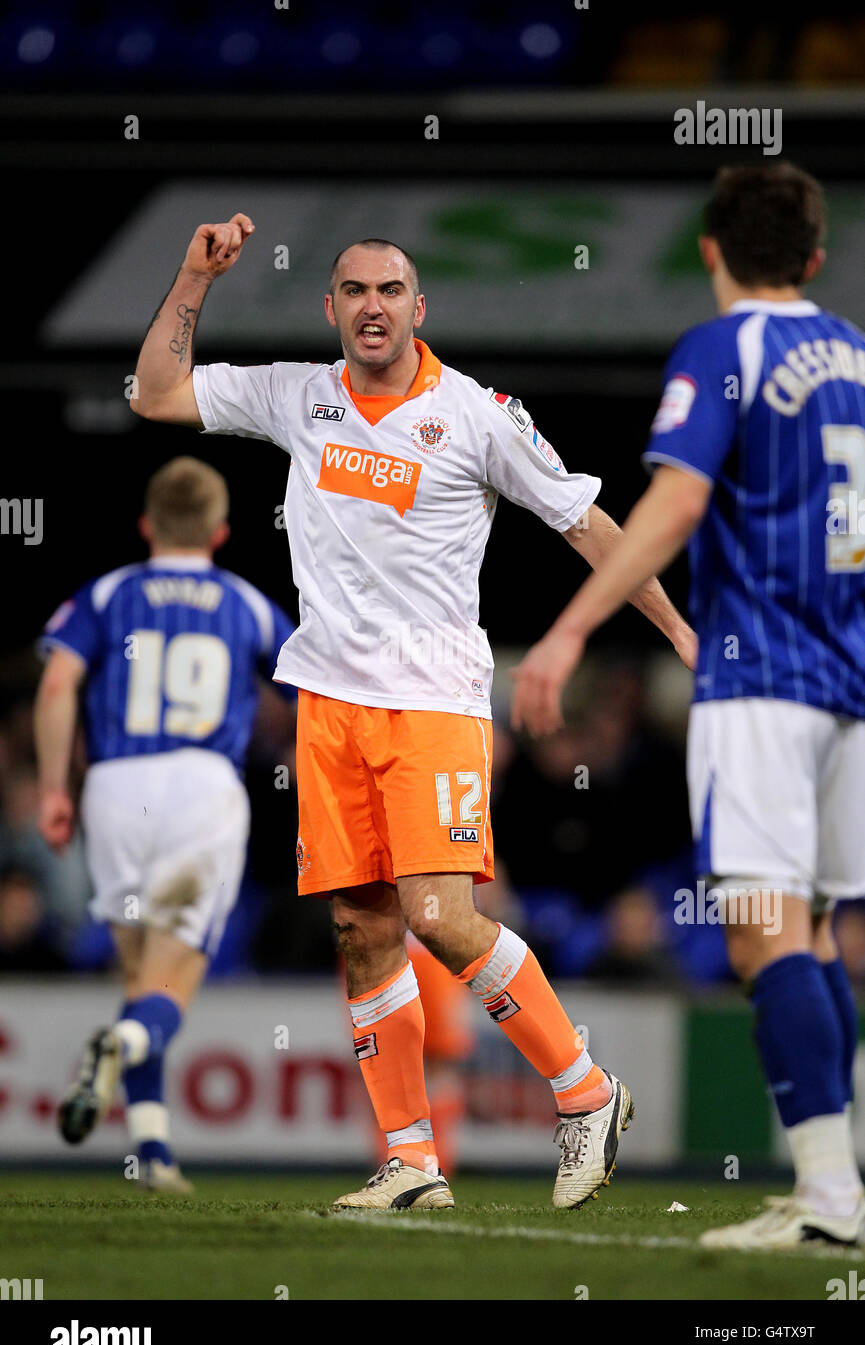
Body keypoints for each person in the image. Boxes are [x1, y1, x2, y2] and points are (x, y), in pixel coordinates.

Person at [130, 219, 695, 1210]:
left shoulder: (477, 414)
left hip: (432, 704)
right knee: (362, 928)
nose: (372, 305)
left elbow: (587, 524)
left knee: (440, 917)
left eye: (389, 289)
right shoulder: (298, 396)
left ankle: (587, 1091)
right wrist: (191, 278)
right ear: (332, 308)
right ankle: (410, 1160)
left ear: (417, 307)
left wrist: (681, 634)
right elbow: (156, 392)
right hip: (329, 709)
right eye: (353, 290)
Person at [512, 162, 865, 1249]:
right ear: (812, 257)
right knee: (821, 931)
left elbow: (675, 499)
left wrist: (571, 628)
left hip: (759, 677)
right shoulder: (855, 353)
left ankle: (828, 1198)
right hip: (852, 681)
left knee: (764, 939)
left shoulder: (724, 350)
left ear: (709, 251)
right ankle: (838, 1181)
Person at [35, 457, 295, 1191]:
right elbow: (311, 692)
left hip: (115, 790)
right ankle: (119, 1041)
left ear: (147, 525)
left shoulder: (109, 591)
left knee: (138, 970)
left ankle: (151, 1151)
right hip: (202, 789)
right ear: (221, 532)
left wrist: (55, 787)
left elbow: (57, 681)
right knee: (169, 984)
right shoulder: (244, 601)